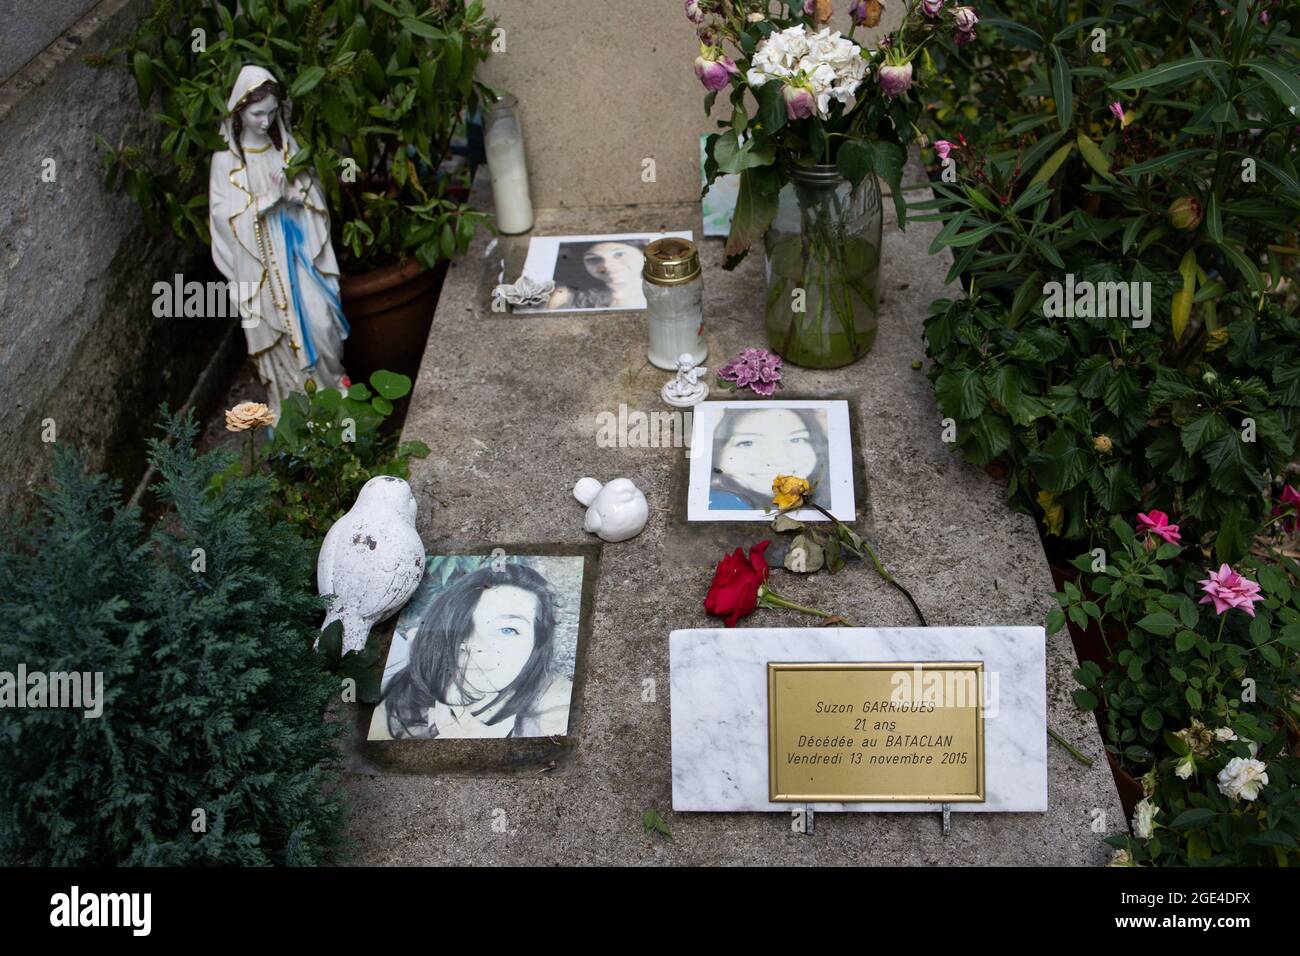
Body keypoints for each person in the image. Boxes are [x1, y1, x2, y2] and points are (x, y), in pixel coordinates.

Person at [208, 64, 349, 420]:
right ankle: (294, 415)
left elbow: (313, 193)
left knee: (320, 322)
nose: (265, 121)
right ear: (239, 111)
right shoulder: (226, 161)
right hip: (260, 269)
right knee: (277, 335)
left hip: (298, 253)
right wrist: (261, 206)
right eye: (257, 113)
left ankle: (332, 396)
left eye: (271, 113)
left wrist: (300, 194)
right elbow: (221, 218)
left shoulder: (286, 150)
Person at [370, 562, 573, 740]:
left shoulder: (558, 709)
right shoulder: (396, 689)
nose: (475, 644)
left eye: (507, 630)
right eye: (464, 625)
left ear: (536, 645)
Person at [709, 407, 830, 511]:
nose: (780, 460)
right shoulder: (719, 503)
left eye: (796, 439)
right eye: (748, 443)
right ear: (716, 452)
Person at [547, 240, 647, 310]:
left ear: (642, 252)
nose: (606, 266)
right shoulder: (568, 296)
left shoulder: (659, 290)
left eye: (619, 254)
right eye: (593, 259)